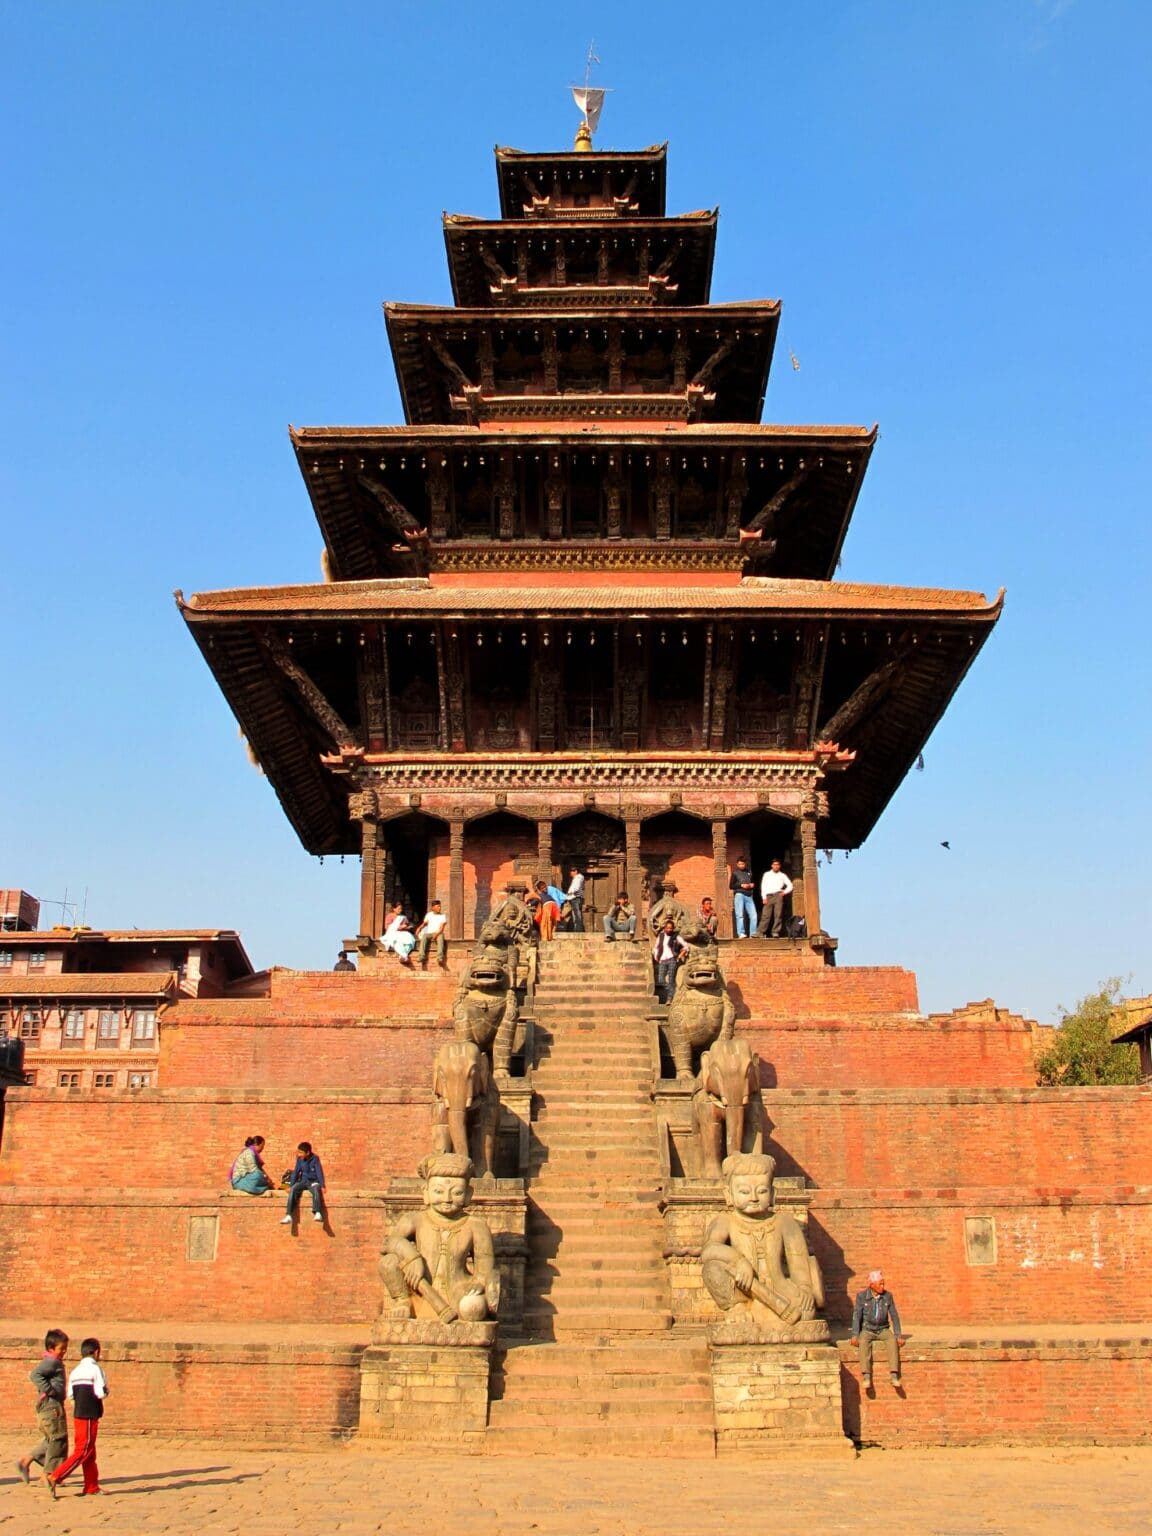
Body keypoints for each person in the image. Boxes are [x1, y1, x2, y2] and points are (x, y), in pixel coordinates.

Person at [46, 1337, 106, 1499]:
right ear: (96, 1352)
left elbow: (71, 1395)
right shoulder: (96, 1369)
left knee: (89, 1451)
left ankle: (91, 1486)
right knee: (83, 1450)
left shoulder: (75, 1371)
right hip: (90, 1413)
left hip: (78, 1413)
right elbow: (101, 1392)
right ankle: (55, 1476)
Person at [17, 1328, 68, 1485]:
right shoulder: (51, 1362)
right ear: (51, 1348)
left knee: (50, 1440)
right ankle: (49, 1475)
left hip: (50, 1406)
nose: (64, 1352)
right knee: (58, 1439)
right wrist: (50, 1390)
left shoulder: (52, 1361)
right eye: (61, 1349)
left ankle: (26, 1461)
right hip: (51, 1406)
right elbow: (35, 1375)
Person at [851, 1268, 906, 1389]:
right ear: (872, 1285)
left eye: (883, 1283)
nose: (882, 1286)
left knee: (892, 1342)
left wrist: (898, 1335)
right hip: (867, 1328)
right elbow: (857, 1315)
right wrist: (855, 1335)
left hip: (883, 1328)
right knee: (864, 1343)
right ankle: (866, 1376)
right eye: (880, 1284)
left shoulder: (887, 1296)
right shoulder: (861, 1296)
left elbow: (894, 1315)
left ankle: (894, 1374)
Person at [281, 1141, 327, 1226]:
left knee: (316, 1189)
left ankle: (317, 1212)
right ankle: (288, 1215)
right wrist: (291, 1185)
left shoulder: (315, 1159)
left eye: (301, 1152)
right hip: (303, 1181)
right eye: (298, 1152)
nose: (299, 1154)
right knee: (294, 1189)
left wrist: (322, 1184)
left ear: (308, 1153)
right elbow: (296, 1172)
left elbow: (319, 1172)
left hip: (313, 1181)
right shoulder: (299, 1159)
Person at [652, 917, 690, 1004]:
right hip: (663, 960)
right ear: (664, 928)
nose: (669, 929)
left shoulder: (676, 937)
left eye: (671, 928)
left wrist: (681, 954)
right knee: (661, 979)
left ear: (673, 929)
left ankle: (669, 999)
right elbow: (656, 947)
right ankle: (673, 991)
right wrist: (656, 956)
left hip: (672, 959)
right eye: (667, 928)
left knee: (671, 979)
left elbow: (686, 946)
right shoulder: (660, 936)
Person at [756, 859, 794, 938]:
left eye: (777, 865)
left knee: (778, 915)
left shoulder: (782, 875)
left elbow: (790, 885)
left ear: (779, 866)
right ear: (772, 865)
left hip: (778, 895)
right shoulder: (767, 874)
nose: (776, 866)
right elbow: (763, 886)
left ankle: (775, 932)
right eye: (774, 864)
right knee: (765, 915)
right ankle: (760, 932)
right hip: (768, 896)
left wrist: (784, 892)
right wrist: (764, 897)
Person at [414, 899, 448, 967]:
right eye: (437, 906)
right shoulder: (429, 915)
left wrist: (436, 934)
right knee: (424, 936)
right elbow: (424, 924)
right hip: (430, 933)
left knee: (441, 937)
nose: (439, 908)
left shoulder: (443, 916)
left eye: (440, 906)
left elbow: (441, 929)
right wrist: (419, 928)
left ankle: (440, 958)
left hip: (438, 933)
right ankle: (421, 956)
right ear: (433, 908)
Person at [729, 856, 757, 939]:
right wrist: (741, 885)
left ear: (745, 864)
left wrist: (752, 885)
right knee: (740, 915)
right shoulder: (735, 873)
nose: (741, 865)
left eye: (743, 864)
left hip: (749, 895)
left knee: (754, 915)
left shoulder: (749, 872)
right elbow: (731, 886)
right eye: (739, 864)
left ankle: (753, 933)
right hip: (739, 895)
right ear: (737, 864)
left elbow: (752, 882)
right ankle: (741, 933)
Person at [564, 867, 586, 933]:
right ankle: (573, 929)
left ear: (575, 871)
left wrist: (570, 892)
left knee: (577, 915)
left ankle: (578, 930)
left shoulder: (578, 877)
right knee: (571, 914)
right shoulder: (576, 878)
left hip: (575, 898)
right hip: (572, 898)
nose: (570, 873)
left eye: (571, 871)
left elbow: (576, 887)